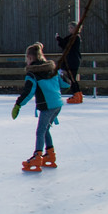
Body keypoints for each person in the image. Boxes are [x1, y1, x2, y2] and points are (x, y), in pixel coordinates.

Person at [13, 42, 70, 171]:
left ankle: (37, 156)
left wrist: (18, 104)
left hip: (47, 106)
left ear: (30, 58)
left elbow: (28, 92)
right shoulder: (51, 69)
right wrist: (63, 74)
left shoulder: (32, 74)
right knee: (45, 129)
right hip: (57, 105)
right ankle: (50, 154)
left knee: (40, 131)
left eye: (26, 58)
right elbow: (66, 85)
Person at [56, 20, 83, 104]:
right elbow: (64, 44)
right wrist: (59, 39)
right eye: (69, 27)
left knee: (72, 78)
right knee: (72, 78)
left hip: (72, 61)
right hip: (71, 60)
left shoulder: (75, 37)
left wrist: (58, 38)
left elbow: (66, 45)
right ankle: (77, 95)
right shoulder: (73, 37)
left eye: (71, 27)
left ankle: (77, 95)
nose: (69, 29)